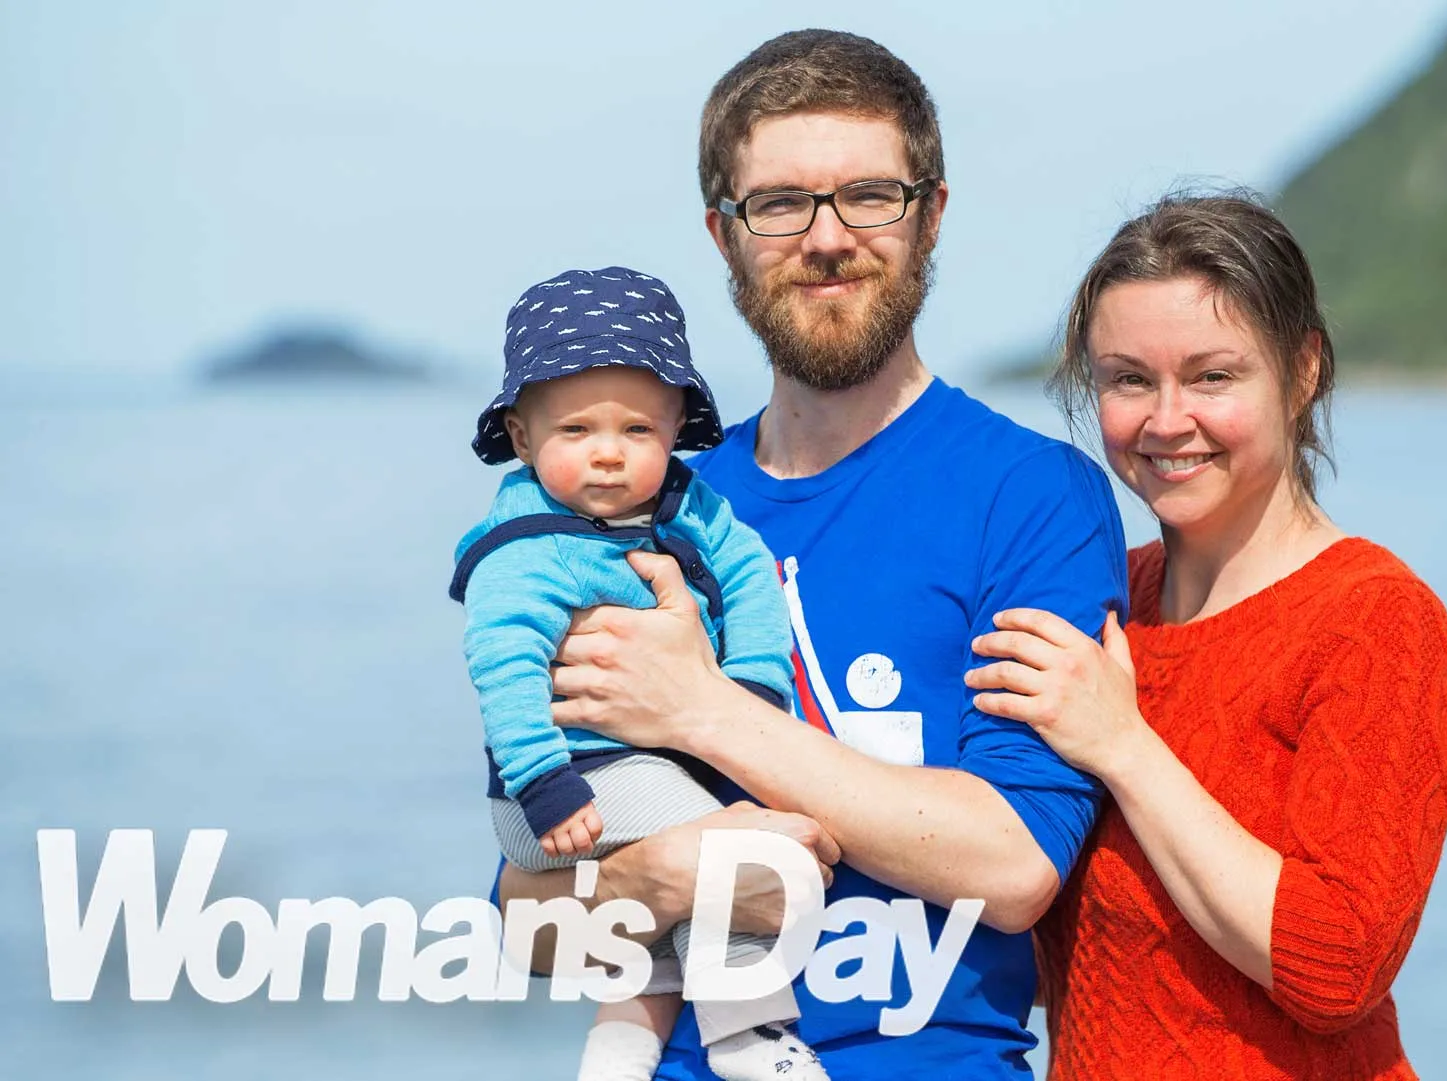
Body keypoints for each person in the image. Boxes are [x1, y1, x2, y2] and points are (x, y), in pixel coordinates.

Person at [493, 30, 1129, 1081]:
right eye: (781, 203)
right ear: (723, 234)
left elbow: (1014, 865)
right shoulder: (650, 503)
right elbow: (525, 918)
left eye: (869, 195)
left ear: (931, 214)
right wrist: (650, 883)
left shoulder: (1029, 495)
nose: (827, 237)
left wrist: (699, 710)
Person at [966, 192, 1447, 1080]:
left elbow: (1337, 967)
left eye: (1212, 376)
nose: (1166, 421)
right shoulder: (1098, 597)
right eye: (1129, 379)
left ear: (1304, 369)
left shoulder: (1377, 619)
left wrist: (1124, 744)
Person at [453, 266, 828, 1081]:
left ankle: (616, 1054)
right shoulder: (529, 547)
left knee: (663, 913)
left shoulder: (692, 508)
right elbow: (505, 666)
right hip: (557, 781)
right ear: (521, 438)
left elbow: (752, 578)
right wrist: (544, 780)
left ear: (675, 430)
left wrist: (754, 689)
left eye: (638, 431)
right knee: (723, 845)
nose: (610, 456)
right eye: (577, 430)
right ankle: (746, 1032)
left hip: (634, 766)